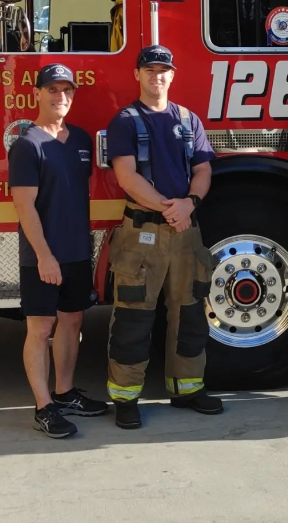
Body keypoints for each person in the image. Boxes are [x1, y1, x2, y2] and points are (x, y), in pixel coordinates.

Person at [105, 45, 221, 430]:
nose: (157, 76)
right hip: (143, 234)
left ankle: (187, 388)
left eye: (164, 70)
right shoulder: (125, 121)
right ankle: (126, 398)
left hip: (185, 231)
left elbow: (202, 170)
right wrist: (167, 208)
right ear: (137, 74)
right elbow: (126, 176)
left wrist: (189, 203)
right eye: (150, 69)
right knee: (134, 318)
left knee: (190, 314)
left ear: (173, 75)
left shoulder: (189, 120)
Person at [9, 63, 107, 439]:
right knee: (40, 328)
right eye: (52, 89)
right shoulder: (27, 144)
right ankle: (43, 406)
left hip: (77, 251)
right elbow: (24, 206)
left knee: (72, 321)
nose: (60, 97)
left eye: (67, 90)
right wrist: (45, 256)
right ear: (37, 93)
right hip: (41, 256)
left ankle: (65, 394)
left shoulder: (80, 139)